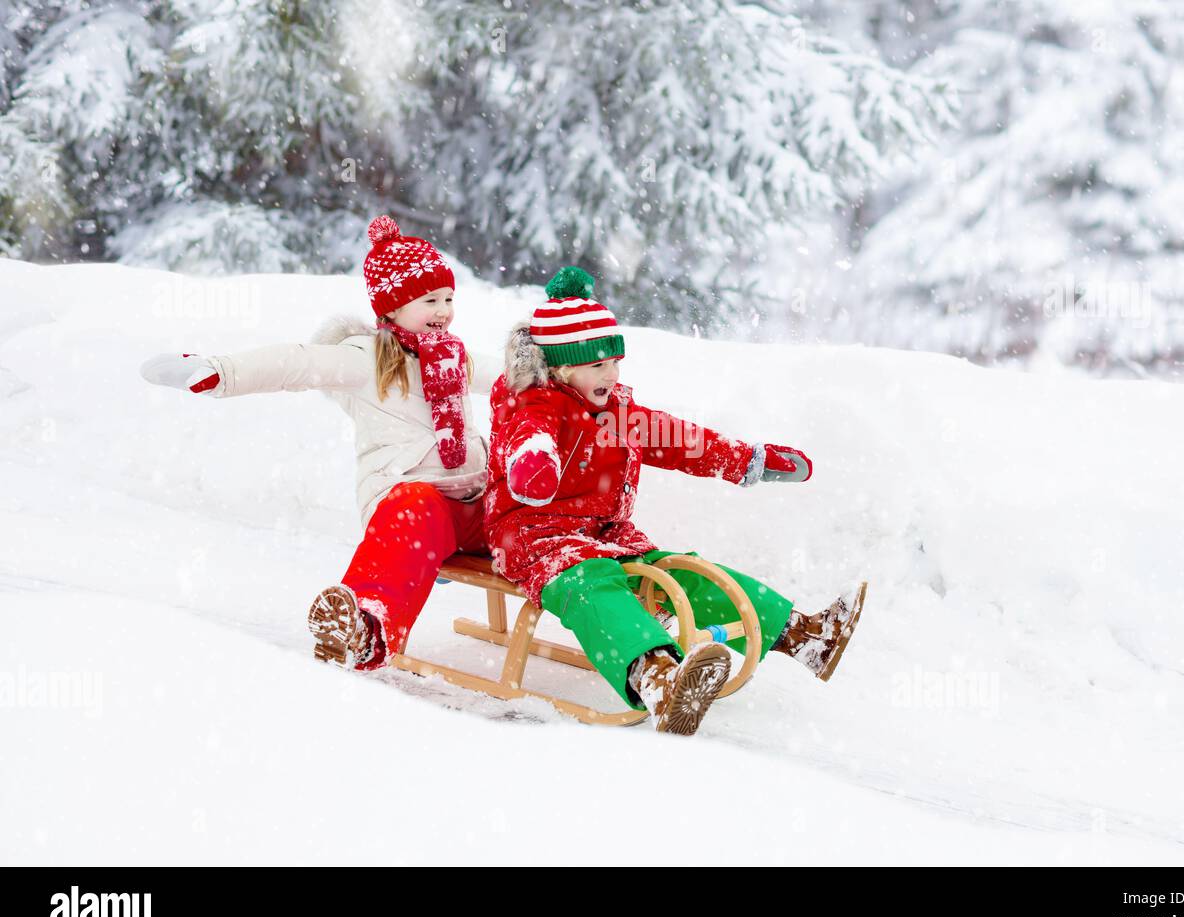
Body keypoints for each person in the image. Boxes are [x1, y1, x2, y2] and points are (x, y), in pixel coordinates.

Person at [484, 267, 867, 735]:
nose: (612, 373)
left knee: (678, 573)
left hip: (605, 534)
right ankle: (657, 677)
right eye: (597, 365)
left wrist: (748, 459)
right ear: (562, 367)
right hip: (536, 540)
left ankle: (805, 635)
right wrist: (532, 468)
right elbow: (528, 445)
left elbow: (682, 441)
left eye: (614, 362)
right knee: (592, 586)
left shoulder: (616, 414)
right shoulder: (534, 408)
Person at [140, 215, 499, 670]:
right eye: (430, 300)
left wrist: (566, 368)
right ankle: (365, 627)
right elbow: (295, 363)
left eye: (448, 298)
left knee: (525, 494)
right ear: (391, 309)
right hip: (414, 507)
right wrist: (220, 372)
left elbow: (509, 375)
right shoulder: (363, 359)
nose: (444, 310)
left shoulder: (454, 356)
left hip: (474, 500)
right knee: (416, 506)